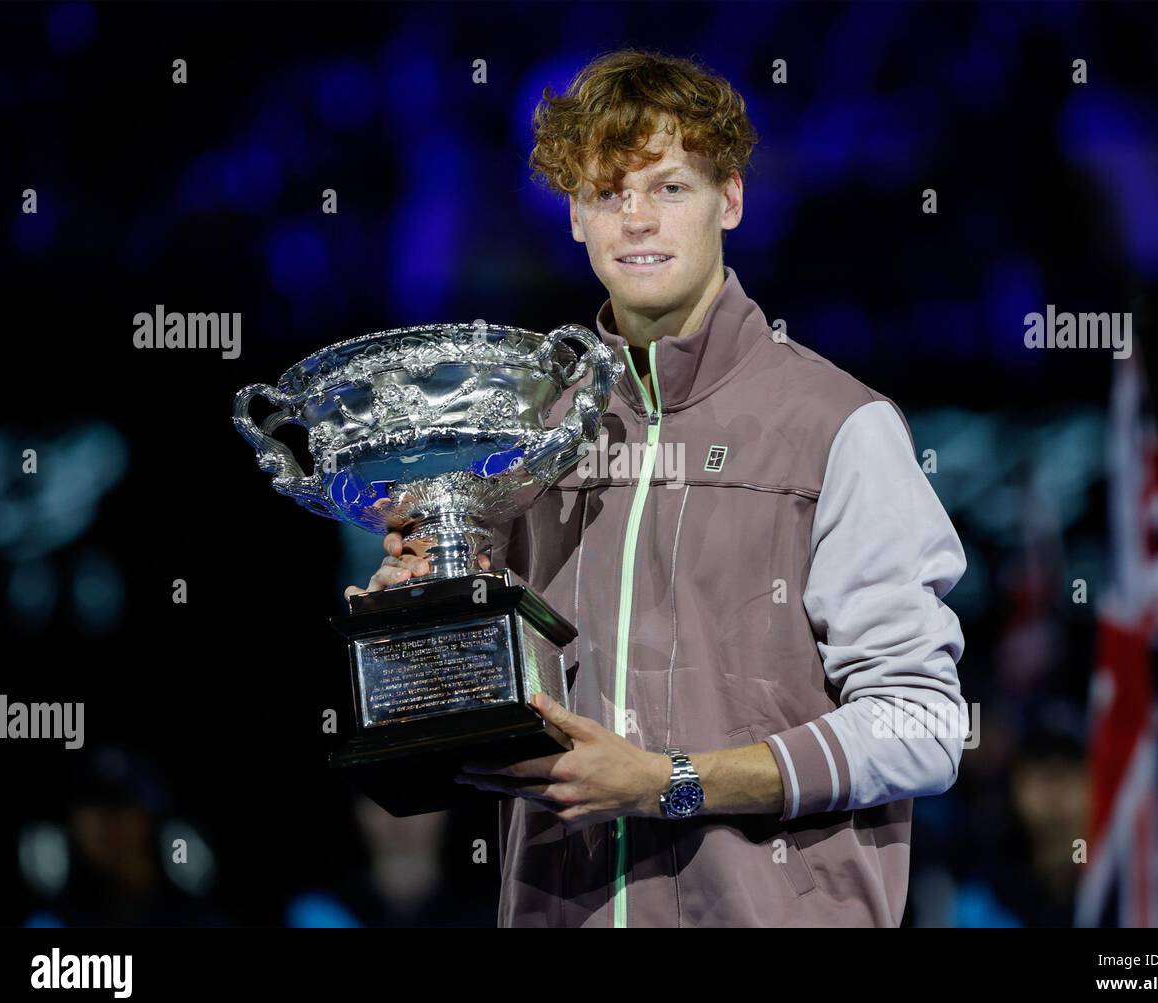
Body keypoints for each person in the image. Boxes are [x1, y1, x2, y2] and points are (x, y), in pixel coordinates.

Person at [347, 49, 968, 927]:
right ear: (574, 218)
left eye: (670, 188)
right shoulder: (527, 443)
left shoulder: (838, 426)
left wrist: (667, 782)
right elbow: (485, 726)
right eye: (608, 193)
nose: (637, 219)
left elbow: (924, 728)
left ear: (733, 200)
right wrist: (424, 633)